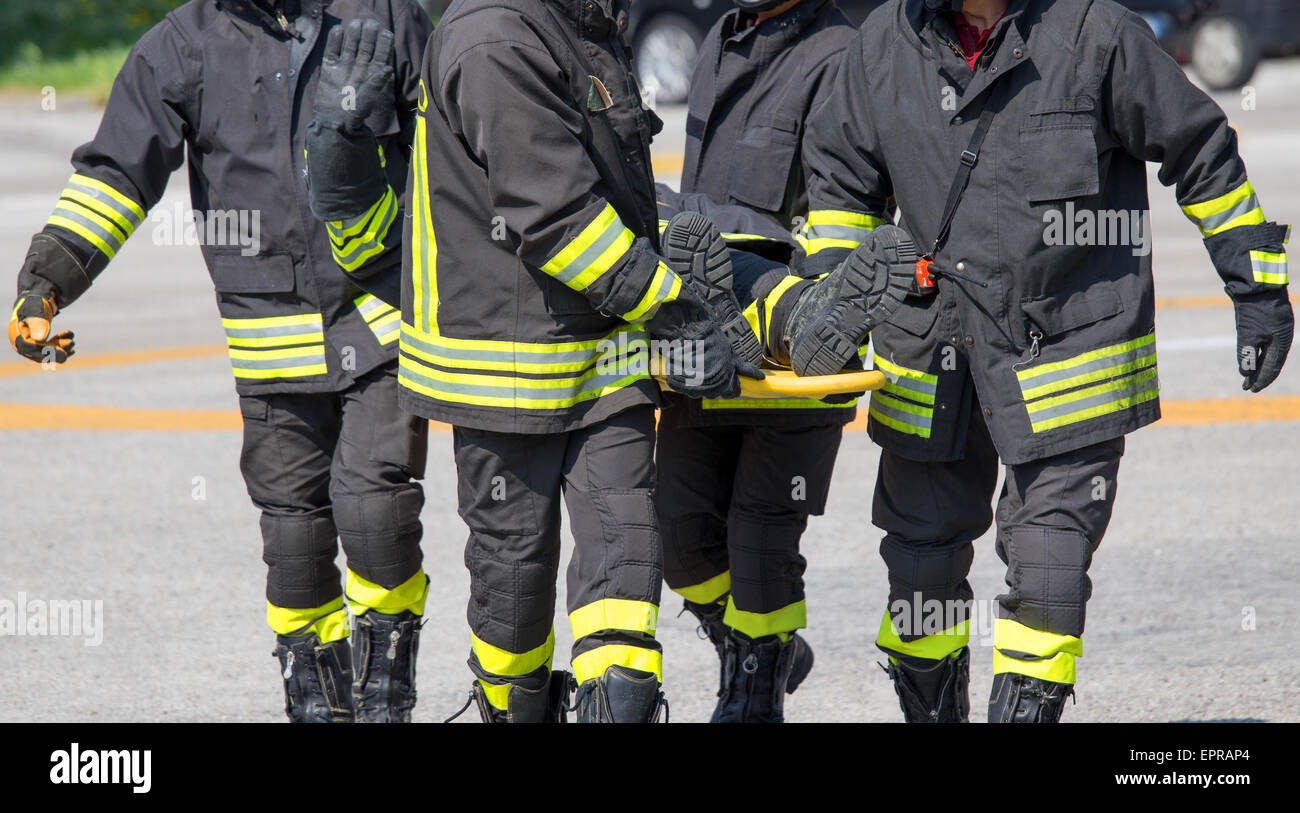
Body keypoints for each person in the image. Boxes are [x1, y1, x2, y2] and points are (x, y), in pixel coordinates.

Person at [799, 0, 1292, 721]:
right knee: (918, 580)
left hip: (1067, 357)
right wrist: (835, 294)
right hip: (930, 358)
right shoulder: (882, 48)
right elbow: (840, 182)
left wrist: (1258, 289)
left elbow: (1200, 147)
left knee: (1048, 574)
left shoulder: (1095, 33)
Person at [327, 0, 760, 723]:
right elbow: (556, 215)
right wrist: (675, 308)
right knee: (513, 599)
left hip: (608, 362)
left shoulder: (579, 19)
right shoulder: (491, 37)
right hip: (505, 379)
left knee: (625, 582)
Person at [7, 0, 436, 722]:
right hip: (270, 344)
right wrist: (45, 285)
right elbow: (115, 174)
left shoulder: (382, 11)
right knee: (293, 540)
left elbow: (449, 135)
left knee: (376, 513)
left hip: (382, 327)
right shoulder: (181, 47)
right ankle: (318, 700)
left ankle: (385, 692)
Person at [651, 0, 860, 723]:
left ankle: (752, 693)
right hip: (705, 336)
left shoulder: (840, 57)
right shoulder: (721, 39)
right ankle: (757, 646)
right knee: (676, 529)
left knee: (762, 534)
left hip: (793, 344)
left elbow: (842, 222)